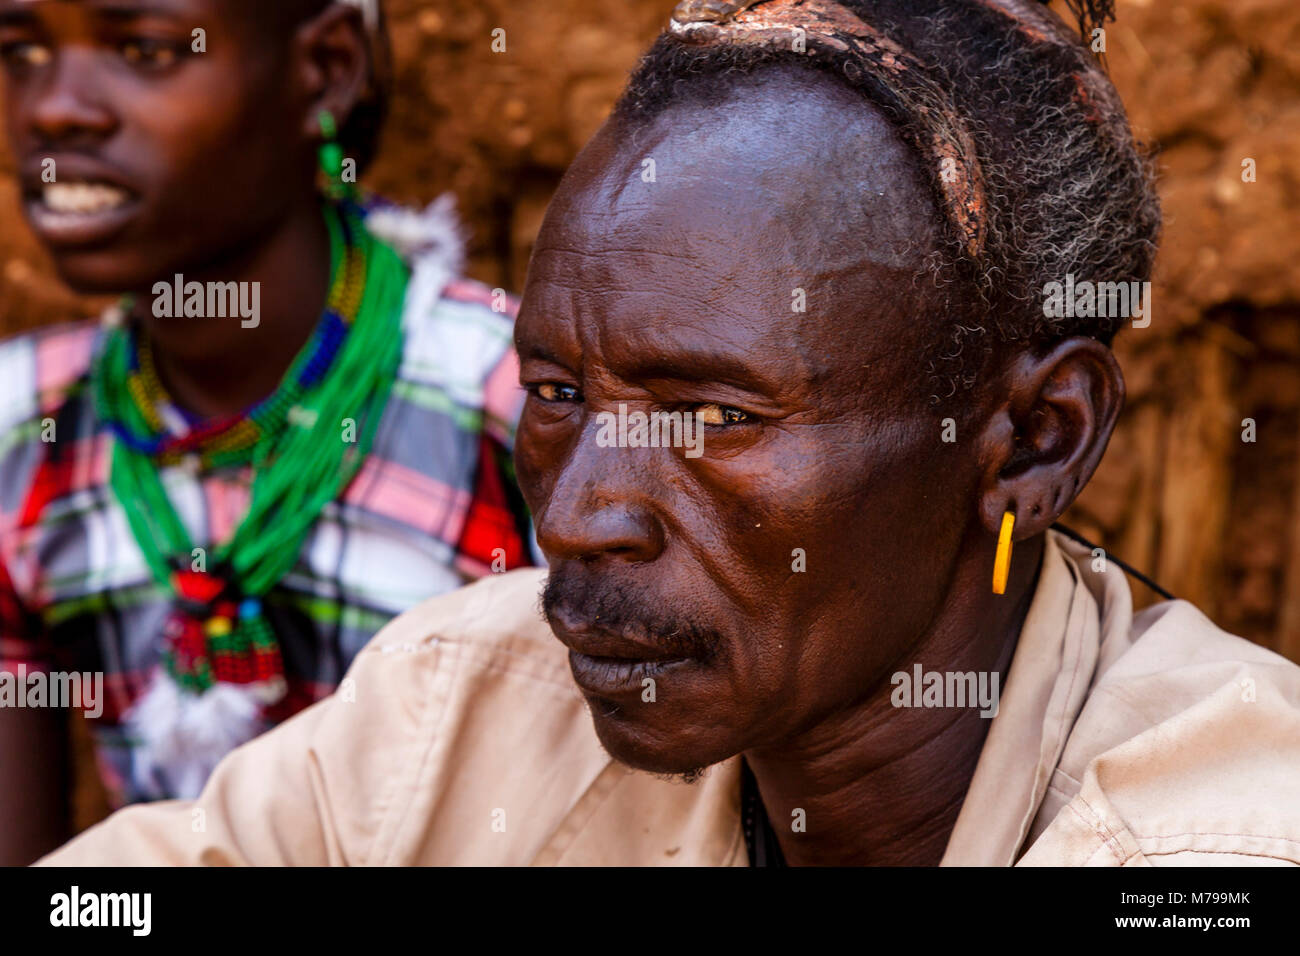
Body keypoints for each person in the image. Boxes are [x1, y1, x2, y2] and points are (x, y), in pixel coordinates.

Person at [37, 0, 1300, 867]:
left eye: (713, 415)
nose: (579, 514)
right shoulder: (467, 700)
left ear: (1031, 438)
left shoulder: (1208, 843)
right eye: (558, 395)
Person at [0, 0, 532, 864]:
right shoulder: (26, 430)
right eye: (22, 51)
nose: (55, 108)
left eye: (144, 48)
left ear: (324, 68)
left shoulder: (512, 405)